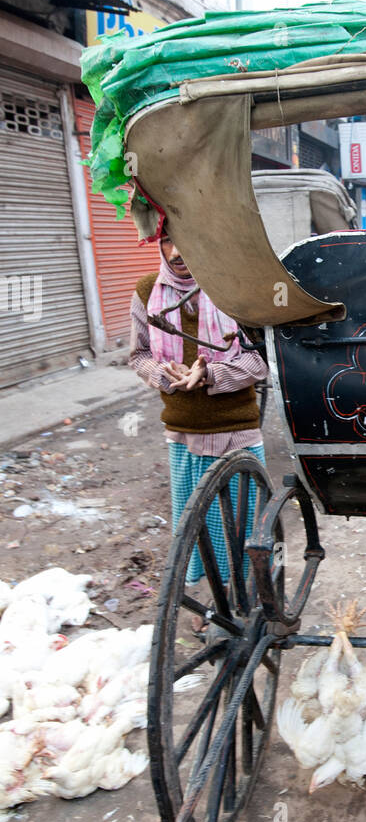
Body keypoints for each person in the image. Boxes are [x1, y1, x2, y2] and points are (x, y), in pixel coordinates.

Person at [129, 233, 268, 619]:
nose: (177, 253)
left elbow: (261, 362)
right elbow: (138, 354)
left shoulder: (234, 290)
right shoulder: (146, 291)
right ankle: (213, 605)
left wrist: (211, 374)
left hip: (236, 433)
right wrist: (160, 373)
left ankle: (248, 607)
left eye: (188, 240)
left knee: (243, 535)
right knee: (197, 532)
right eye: (169, 241)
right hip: (182, 434)